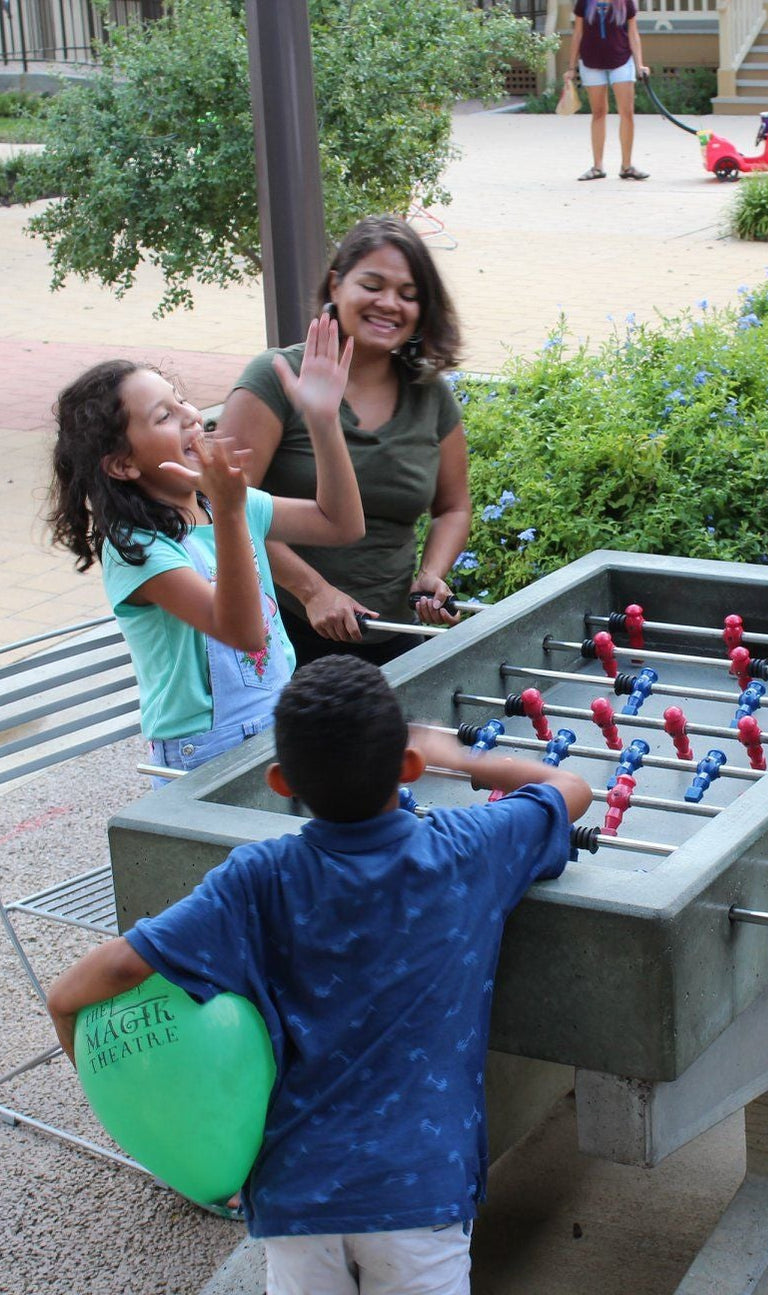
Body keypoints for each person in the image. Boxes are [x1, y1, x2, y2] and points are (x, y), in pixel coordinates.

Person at [46, 655, 594, 1295]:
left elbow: (110, 970)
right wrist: (458, 758)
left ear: (281, 781)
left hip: (296, 1193)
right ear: (408, 768)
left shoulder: (255, 879)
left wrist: (67, 1018)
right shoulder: (466, 850)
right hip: (420, 1191)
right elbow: (569, 787)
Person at [47, 314, 364, 784]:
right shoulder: (139, 549)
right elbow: (242, 632)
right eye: (164, 417)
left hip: (279, 716)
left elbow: (341, 523)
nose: (192, 416)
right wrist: (232, 510)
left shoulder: (224, 505)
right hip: (205, 751)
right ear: (123, 465)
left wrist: (322, 421)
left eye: (180, 401)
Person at [222, 216, 471, 667]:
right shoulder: (275, 377)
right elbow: (220, 508)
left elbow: (453, 508)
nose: (389, 303)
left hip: (394, 639)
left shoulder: (430, 393)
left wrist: (431, 575)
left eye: (408, 294)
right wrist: (312, 590)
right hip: (280, 640)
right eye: (372, 286)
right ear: (336, 285)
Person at [565, 0, 651, 182]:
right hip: (591, 62)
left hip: (621, 60)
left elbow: (633, 34)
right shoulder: (584, 2)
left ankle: (627, 166)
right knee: (598, 112)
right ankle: (597, 167)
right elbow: (578, 33)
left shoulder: (626, 2)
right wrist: (571, 67)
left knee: (627, 112)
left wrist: (640, 64)